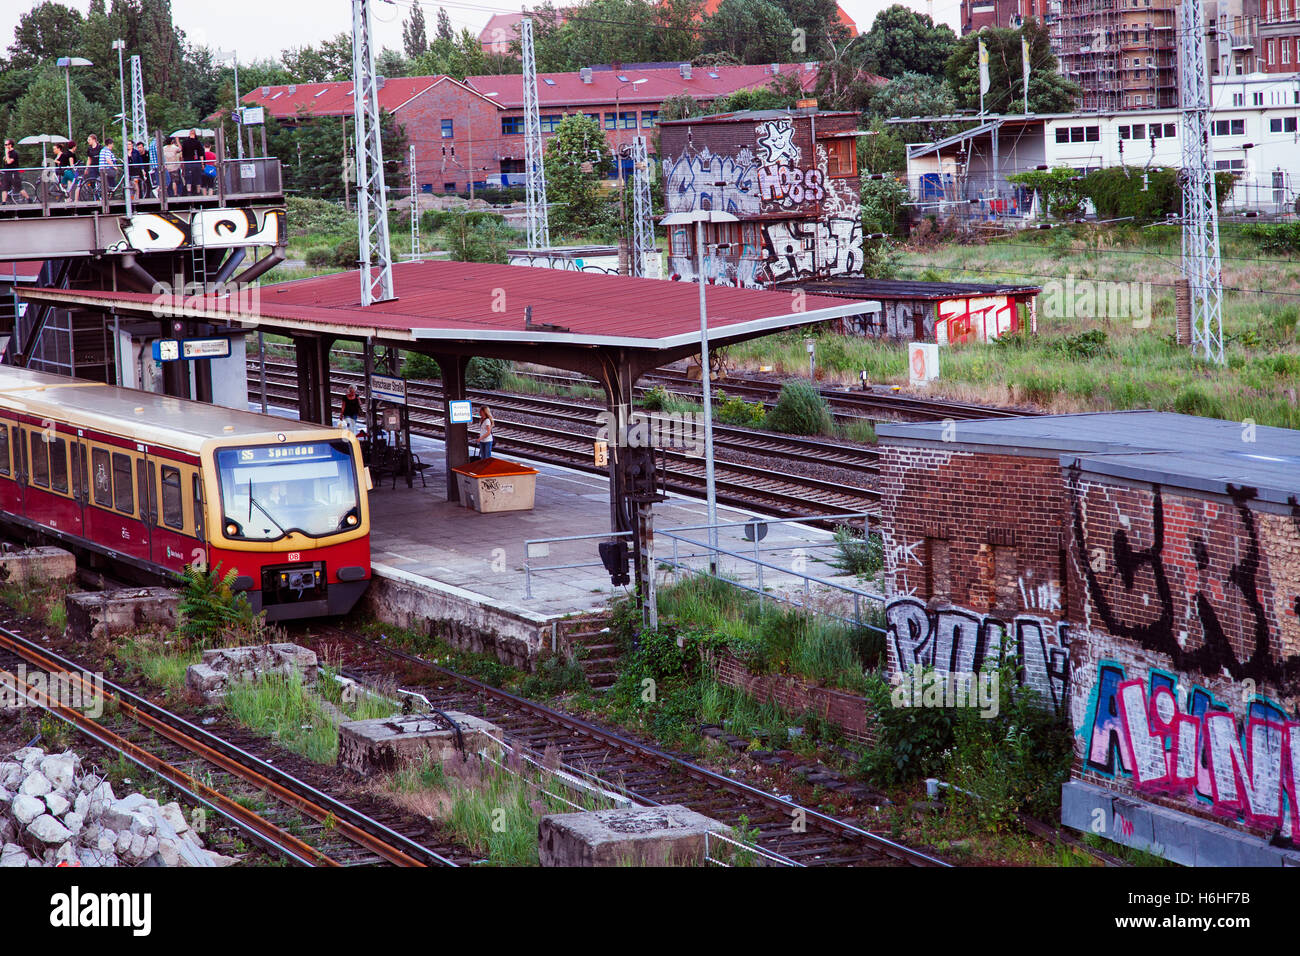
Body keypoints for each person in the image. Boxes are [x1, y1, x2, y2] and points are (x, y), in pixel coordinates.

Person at [74, 133, 101, 201]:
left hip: (100, 166)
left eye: (89, 140)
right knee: (92, 181)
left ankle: (101, 196)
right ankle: (96, 197)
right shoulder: (89, 149)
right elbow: (89, 159)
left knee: (100, 181)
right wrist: (87, 168)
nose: (88, 141)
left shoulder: (100, 147)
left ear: (94, 140)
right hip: (93, 167)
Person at [1, 140, 29, 204]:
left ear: (10, 145)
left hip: (13, 173)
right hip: (7, 173)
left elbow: (8, 162)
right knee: (4, 188)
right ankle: (4, 202)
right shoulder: (8, 153)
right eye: (4, 145)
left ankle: (28, 198)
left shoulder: (14, 153)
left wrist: (6, 154)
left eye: (6, 145)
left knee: (18, 188)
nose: (5, 146)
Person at [180, 129, 203, 196]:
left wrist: (183, 164)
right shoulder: (198, 143)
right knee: (198, 177)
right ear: (195, 134)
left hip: (188, 163)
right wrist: (202, 164)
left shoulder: (185, 143)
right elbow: (201, 154)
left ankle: (189, 191)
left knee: (188, 178)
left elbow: (183, 154)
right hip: (196, 162)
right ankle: (198, 192)